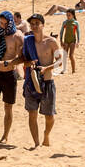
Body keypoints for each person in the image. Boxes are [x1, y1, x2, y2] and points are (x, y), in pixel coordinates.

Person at [22, 14, 61, 148]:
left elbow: (61, 61)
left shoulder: (51, 42)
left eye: (37, 23)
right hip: (31, 81)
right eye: (32, 24)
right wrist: (28, 63)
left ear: (43, 25)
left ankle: (46, 135)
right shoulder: (27, 41)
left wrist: (46, 68)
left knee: (49, 115)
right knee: (32, 113)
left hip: (47, 81)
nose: (34, 26)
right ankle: (36, 143)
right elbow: (23, 59)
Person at [0, 11, 23, 145]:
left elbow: (21, 58)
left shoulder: (17, 36)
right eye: (0, 23)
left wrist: (5, 63)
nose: (2, 26)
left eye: (4, 24)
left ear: (10, 23)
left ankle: (5, 136)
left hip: (8, 74)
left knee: (8, 106)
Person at [59, 8, 81, 73]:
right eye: (67, 15)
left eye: (69, 15)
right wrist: (61, 40)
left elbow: (78, 32)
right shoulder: (65, 22)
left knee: (71, 55)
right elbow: (61, 31)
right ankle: (64, 69)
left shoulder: (76, 23)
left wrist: (78, 41)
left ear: (73, 15)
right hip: (66, 41)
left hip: (72, 41)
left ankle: (73, 70)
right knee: (64, 55)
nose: (68, 16)